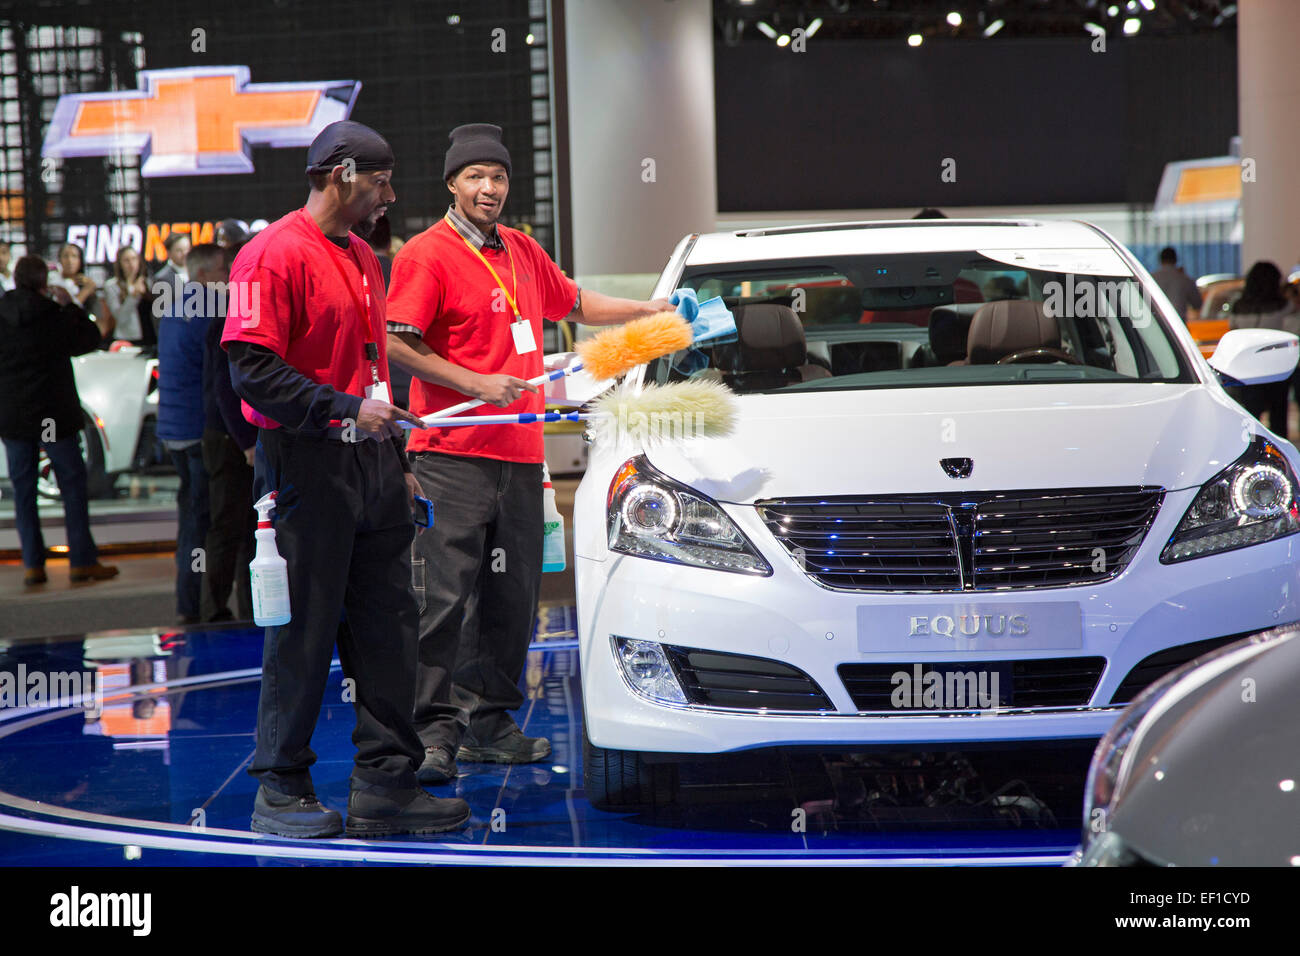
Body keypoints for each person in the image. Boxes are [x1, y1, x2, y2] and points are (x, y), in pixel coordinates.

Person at [386, 123, 673, 784]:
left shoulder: (520, 249)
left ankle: (490, 723)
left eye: (499, 176)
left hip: (518, 454)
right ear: (453, 184)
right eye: (476, 177)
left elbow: (573, 301)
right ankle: (433, 732)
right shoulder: (427, 254)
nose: (489, 188)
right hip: (451, 454)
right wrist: (475, 382)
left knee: (511, 598)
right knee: (444, 599)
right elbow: (397, 341)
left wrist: (646, 310)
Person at [221, 120, 470, 837]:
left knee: (391, 626)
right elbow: (253, 371)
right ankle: (280, 789)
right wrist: (344, 409)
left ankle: (386, 782)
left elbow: (373, 364)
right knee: (302, 631)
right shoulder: (269, 256)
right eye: (382, 180)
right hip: (305, 463)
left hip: (374, 464)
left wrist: (398, 461)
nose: (390, 195)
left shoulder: (363, 254)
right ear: (341, 174)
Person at [0, 255, 119, 586]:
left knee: (23, 492)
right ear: (42, 282)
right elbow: (90, 340)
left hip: (13, 418)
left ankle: (33, 566)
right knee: (72, 486)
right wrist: (70, 305)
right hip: (53, 416)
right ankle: (81, 562)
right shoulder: (53, 315)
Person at [158, 244, 226, 625]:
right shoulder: (206, 310)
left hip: (175, 428)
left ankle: (189, 602)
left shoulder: (177, 303)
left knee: (192, 518)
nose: (229, 278)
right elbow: (217, 373)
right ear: (203, 275)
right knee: (202, 522)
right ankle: (195, 607)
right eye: (221, 270)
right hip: (198, 428)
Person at [201, 243, 256, 623]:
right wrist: (247, 441)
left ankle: (249, 610)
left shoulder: (233, 312)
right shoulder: (230, 316)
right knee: (228, 528)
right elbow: (224, 387)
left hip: (233, 437)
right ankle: (215, 612)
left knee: (250, 530)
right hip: (229, 440)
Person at [1229, 260, 1300, 436]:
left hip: (1247, 370)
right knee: (1278, 421)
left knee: (1250, 420)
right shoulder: (1283, 307)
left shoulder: (1239, 308)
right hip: (1275, 369)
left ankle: (1251, 453)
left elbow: (1233, 334)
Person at [100, 245, 153, 345]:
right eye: (126, 260)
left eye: (134, 259)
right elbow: (120, 318)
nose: (131, 264)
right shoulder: (111, 286)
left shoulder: (148, 283)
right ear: (119, 263)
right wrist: (133, 295)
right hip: (127, 339)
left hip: (149, 336)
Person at [53, 243, 101, 340]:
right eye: (65, 256)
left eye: (74, 256)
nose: (70, 261)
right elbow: (66, 312)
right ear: (59, 260)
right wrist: (86, 291)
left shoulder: (87, 283)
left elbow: (98, 315)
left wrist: (90, 291)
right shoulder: (54, 283)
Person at [1152, 246, 1202, 322]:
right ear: (1175, 260)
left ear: (1161, 261)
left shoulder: (1151, 279)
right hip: (1178, 324)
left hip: (1158, 324)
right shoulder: (1184, 279)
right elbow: (1197, 304)